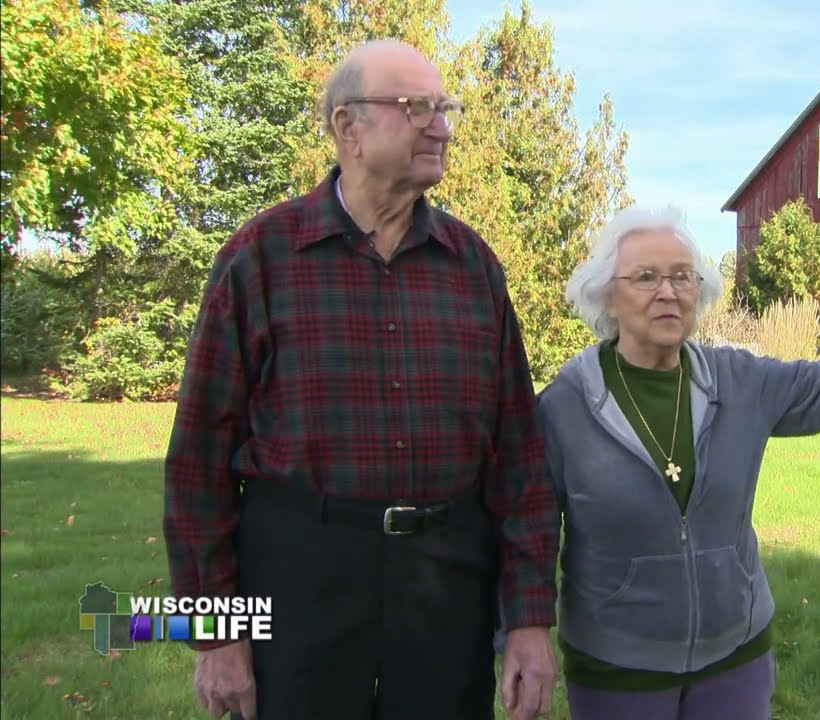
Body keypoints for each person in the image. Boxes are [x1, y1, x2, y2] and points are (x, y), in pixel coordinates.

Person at [162, 40, 559, 720]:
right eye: (416, 108)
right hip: (299, 575)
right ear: (349, 127)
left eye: (445, 108)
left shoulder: (473, 267)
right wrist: (214, 634)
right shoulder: (260, 258)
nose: (442, 126)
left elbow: (519, 459)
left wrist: (529, 622)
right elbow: (198, 459)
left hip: (446, 583)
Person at [535, 206, 820, 719]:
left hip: (736, 657)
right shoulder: (564, 407)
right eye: (646, 277)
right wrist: (521, 632)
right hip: (617, 671)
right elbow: (526, 532)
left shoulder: (741, 382)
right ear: (607, 296)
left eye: (682, 276)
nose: (668, 292)